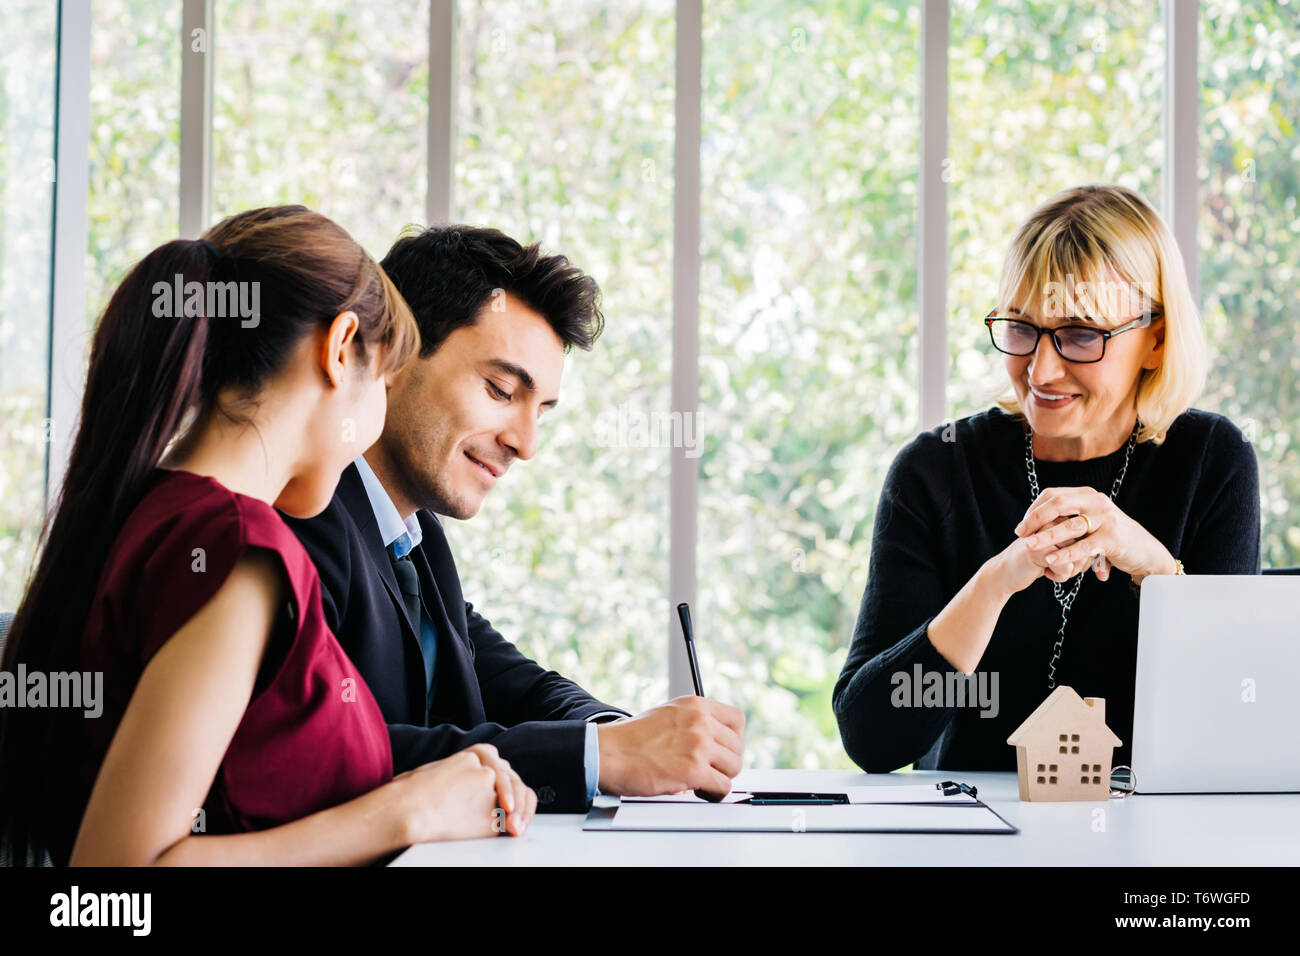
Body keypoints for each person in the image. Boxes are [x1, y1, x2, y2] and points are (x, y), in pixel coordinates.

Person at [0, 206, 535, 866]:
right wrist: (404, 812)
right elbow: (117, 883)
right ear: (340, 351)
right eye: (385, 383)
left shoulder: (162, 516)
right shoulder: (235, 549)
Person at [283, 225, 746, 811]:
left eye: (542, 412)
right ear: (394, 357)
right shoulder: (304, 516)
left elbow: (511, 682)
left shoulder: (414, 537)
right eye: (502, 390)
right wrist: (604, 756)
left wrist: (621, 734)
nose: (525, 443)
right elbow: (328, 751)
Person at [833, 184, 1261, 773]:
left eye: (1081, 335)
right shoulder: (936, 470)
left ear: (1155, 340)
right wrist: (997, 581)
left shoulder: (1212, 459)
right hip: (971, 839)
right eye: (1020, 327)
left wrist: (1157, 570)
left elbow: (1240, 710)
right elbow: (872, 739)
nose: (1041, 368)